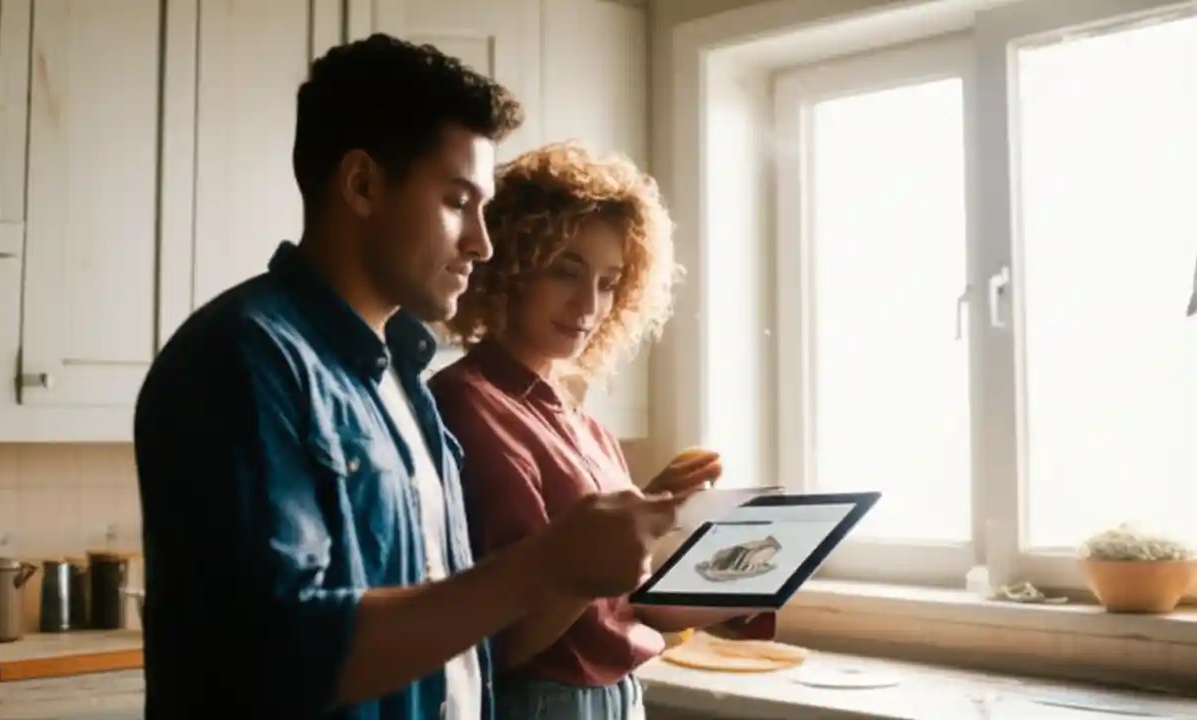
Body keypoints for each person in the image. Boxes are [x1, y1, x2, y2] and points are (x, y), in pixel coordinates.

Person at [133, 35, 686, 720]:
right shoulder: (242, 358)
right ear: (361, 184)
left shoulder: (405, 380)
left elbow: (447, 639)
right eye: (458, 201)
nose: (482, 244)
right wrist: (544, 567)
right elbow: (273, 652)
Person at [430, 142, 762, 720]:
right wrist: (601, 548)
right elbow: (501, 643)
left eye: (609, 282)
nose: (589, 304)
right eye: (567, 270)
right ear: (508, 263)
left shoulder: (586, 428)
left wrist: (755, 574)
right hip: (538, 703)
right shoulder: (466, 403)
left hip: (622, 697)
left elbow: (625, 610)